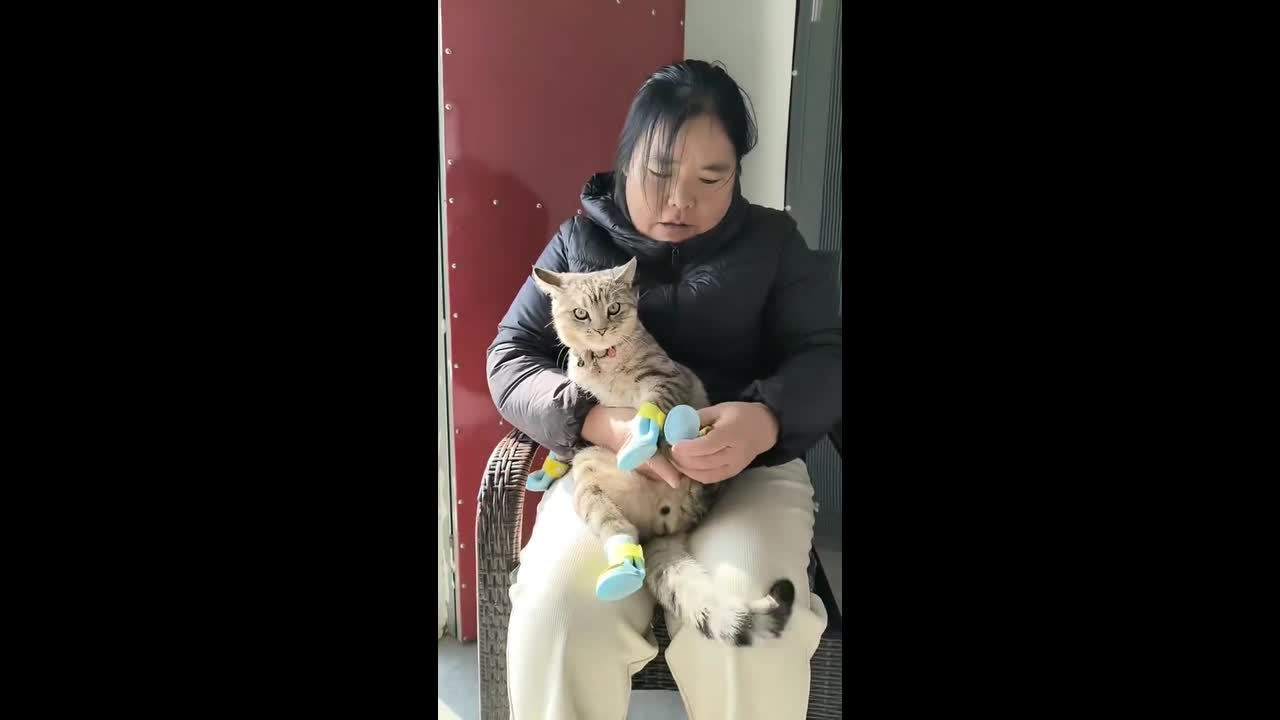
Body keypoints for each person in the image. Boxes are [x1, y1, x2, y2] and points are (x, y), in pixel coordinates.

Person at [486, 59, 842, 720]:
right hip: (608, 469)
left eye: (713, 178)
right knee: (557, 613)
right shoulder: (577, 244)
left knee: (751, 638)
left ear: (738, 175)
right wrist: (595, 421)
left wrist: (766, 417)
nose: (682, 202)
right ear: (626, 162)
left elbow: (826, 356)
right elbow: (509, 357)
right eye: (659, 174)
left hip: (744, 474)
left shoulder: (775, 245)